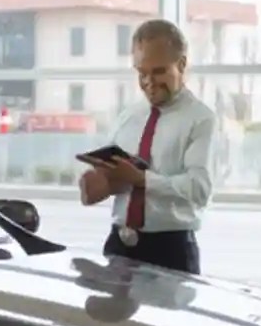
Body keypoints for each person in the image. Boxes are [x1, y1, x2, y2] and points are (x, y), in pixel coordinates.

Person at [77, 18, 217, 274]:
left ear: (182, 64)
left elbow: (200, 188)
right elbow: (110, 178)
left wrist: (142, 180)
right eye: (142, 73)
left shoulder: (201, 119)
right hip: (120, 244)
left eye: (159, 71)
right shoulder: (128, 117)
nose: (149, 82)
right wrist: (99, 183)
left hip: (170, 249)